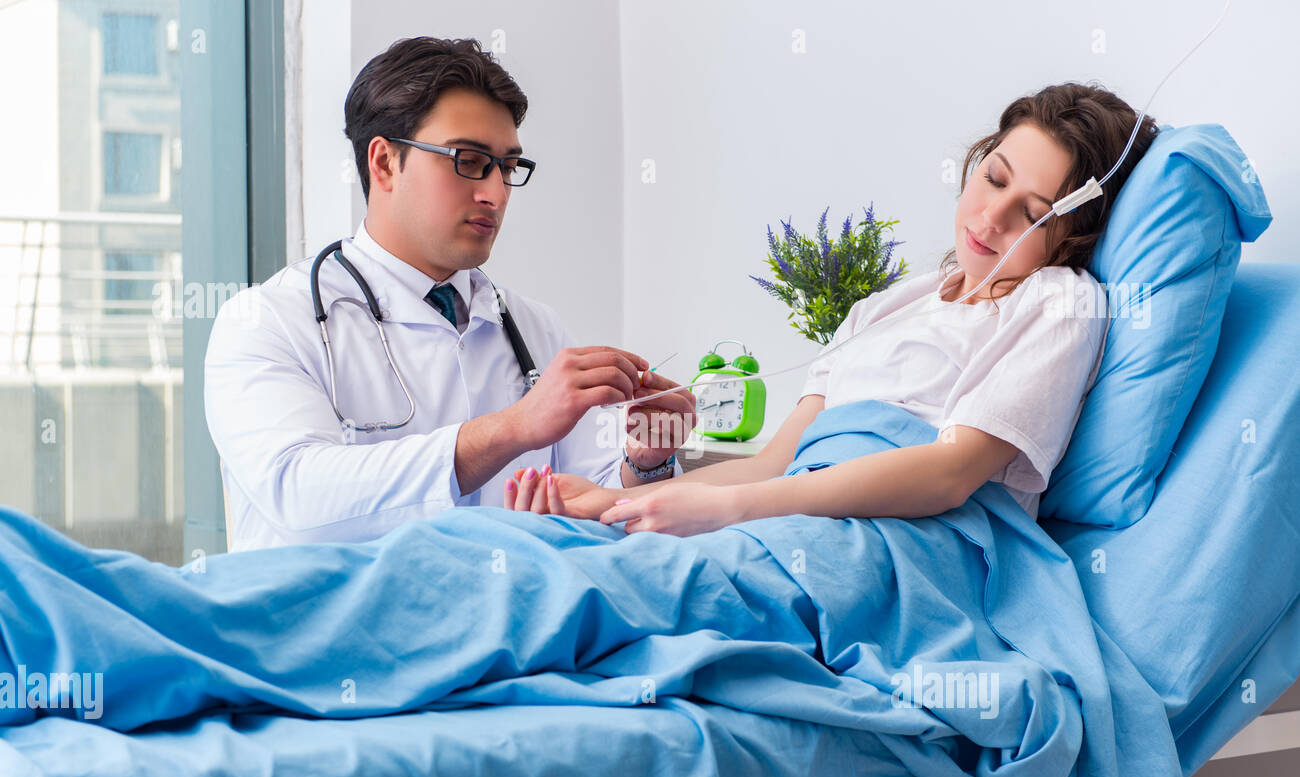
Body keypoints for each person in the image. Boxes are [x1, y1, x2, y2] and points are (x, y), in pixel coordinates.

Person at [510, 82, 1160, 533]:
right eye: (993, 177)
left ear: (1070, 235)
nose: (990, 215)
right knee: (536, 551)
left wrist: (732, 514)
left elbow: (950, 473)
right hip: (797, 519)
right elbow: (773, 467)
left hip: (902, 543)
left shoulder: (1057, 302)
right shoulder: (887, 309)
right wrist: (611, 502)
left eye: (1032, 214)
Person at [204, 37, 696, 551]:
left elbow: (598, 493)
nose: (496, 193)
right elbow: (297, 496)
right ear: (384, 163)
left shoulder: (534, 328)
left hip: (510, 615)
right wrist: (512, 429)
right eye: (468, 160)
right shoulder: (269, 320)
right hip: (334, 623)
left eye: (507, 167)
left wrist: (647, 459)